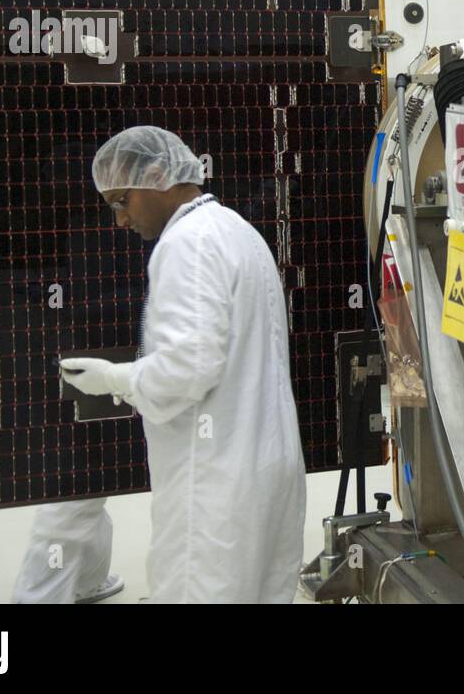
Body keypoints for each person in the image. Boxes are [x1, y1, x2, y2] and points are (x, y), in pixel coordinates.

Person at [59, 126, 306, 603]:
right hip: (266, 465)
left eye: (121, 201)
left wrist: (115, 378)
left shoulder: (186, 244)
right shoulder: (237, 230)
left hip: (214, 481)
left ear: (156, 175)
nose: (121, 220)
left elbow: (188, 368)